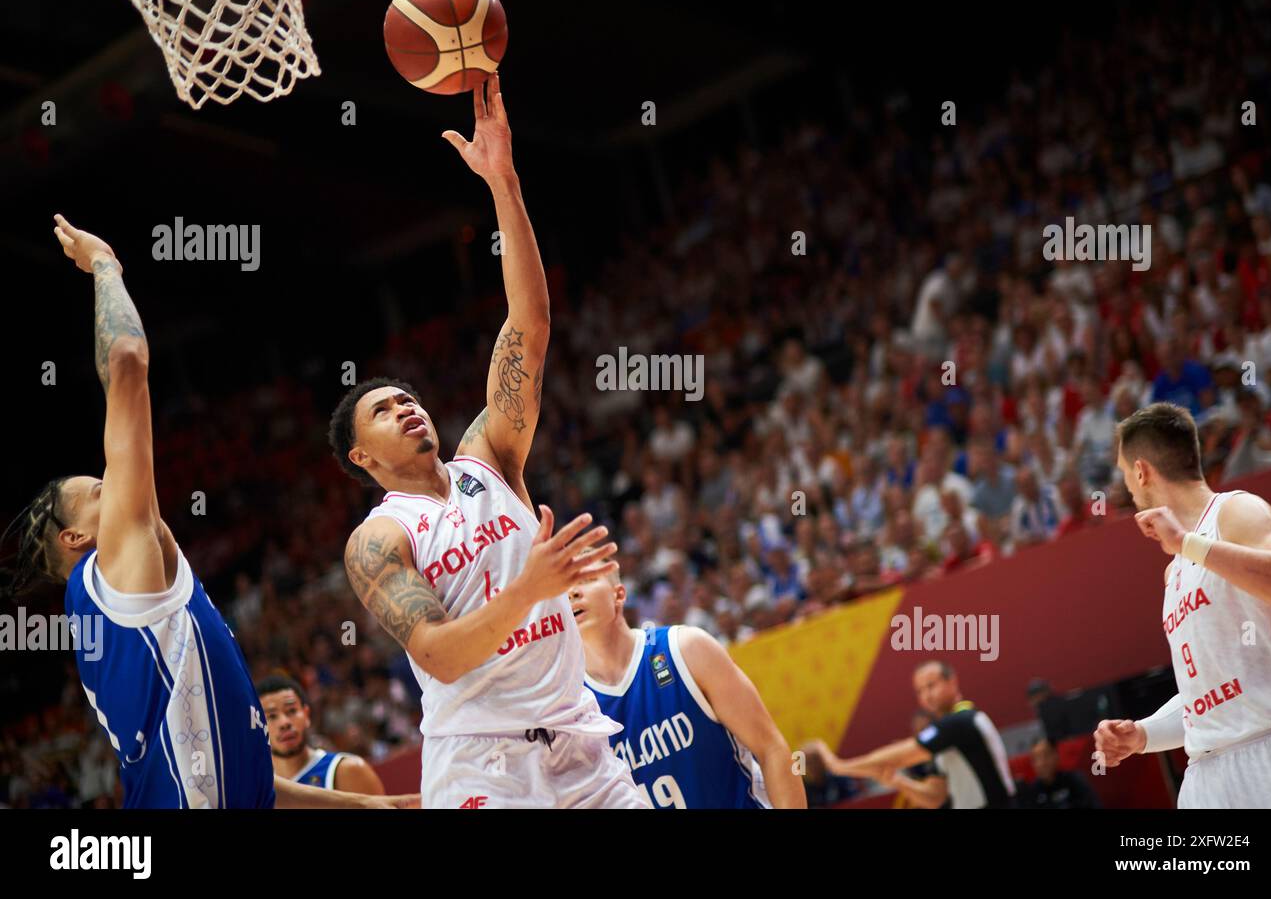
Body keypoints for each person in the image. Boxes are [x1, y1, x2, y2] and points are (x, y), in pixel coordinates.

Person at [1, 216, 410, 809]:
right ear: (75, 537)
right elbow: (126, 363)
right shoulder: (118, 565)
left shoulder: (111, 622)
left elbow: (241, 774)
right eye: (98, 491)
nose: (116, 486)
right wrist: (106, 266)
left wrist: (367, 805)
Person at [329, 76, 645, 810]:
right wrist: (530, 589)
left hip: (580, 742)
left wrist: (503, 181)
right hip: (481, 767)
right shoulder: (377, 540)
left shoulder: (488, 455)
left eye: (407, 397)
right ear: (362, 457)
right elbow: (437, 654)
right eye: (383, 409)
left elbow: (529, 325)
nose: (406, 407)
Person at [1094, 402, 1271, 808]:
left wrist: (1188, 544)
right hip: (1206, 775)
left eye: (1123, 475)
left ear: (1140, 471)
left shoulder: (1235, 512)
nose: (1127, 490)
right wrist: (1144, 734)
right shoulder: (1174, 572)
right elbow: (1206, 697)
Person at [569, 562, 806, 808]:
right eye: (563, 588)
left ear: (619, 594)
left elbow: (772, 748)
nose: (572, 592)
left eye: (586, 580)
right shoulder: (570, 705)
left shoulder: (686, 649)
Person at [808, 661, 1016, 808]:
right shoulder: (946, 740)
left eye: (931, 686)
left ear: (952, 682)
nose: (927, 695)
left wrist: (837, 765)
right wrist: (898, 781)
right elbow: (936, 797)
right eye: (920, 691)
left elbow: (898, 756)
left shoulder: (961, 721)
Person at [258, 675, 385, 793]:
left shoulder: (347, 771)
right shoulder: (258, 793)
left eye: (291, 710)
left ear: (307, 715)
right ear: (259, 726)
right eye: (271, 716)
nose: (284, 723)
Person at [1022, 738, 1100, 809]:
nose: (1041, 763)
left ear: (1056, 755)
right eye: (1036, 759)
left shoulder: (1074, 780)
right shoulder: (1032, 792)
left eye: (1046, 756)